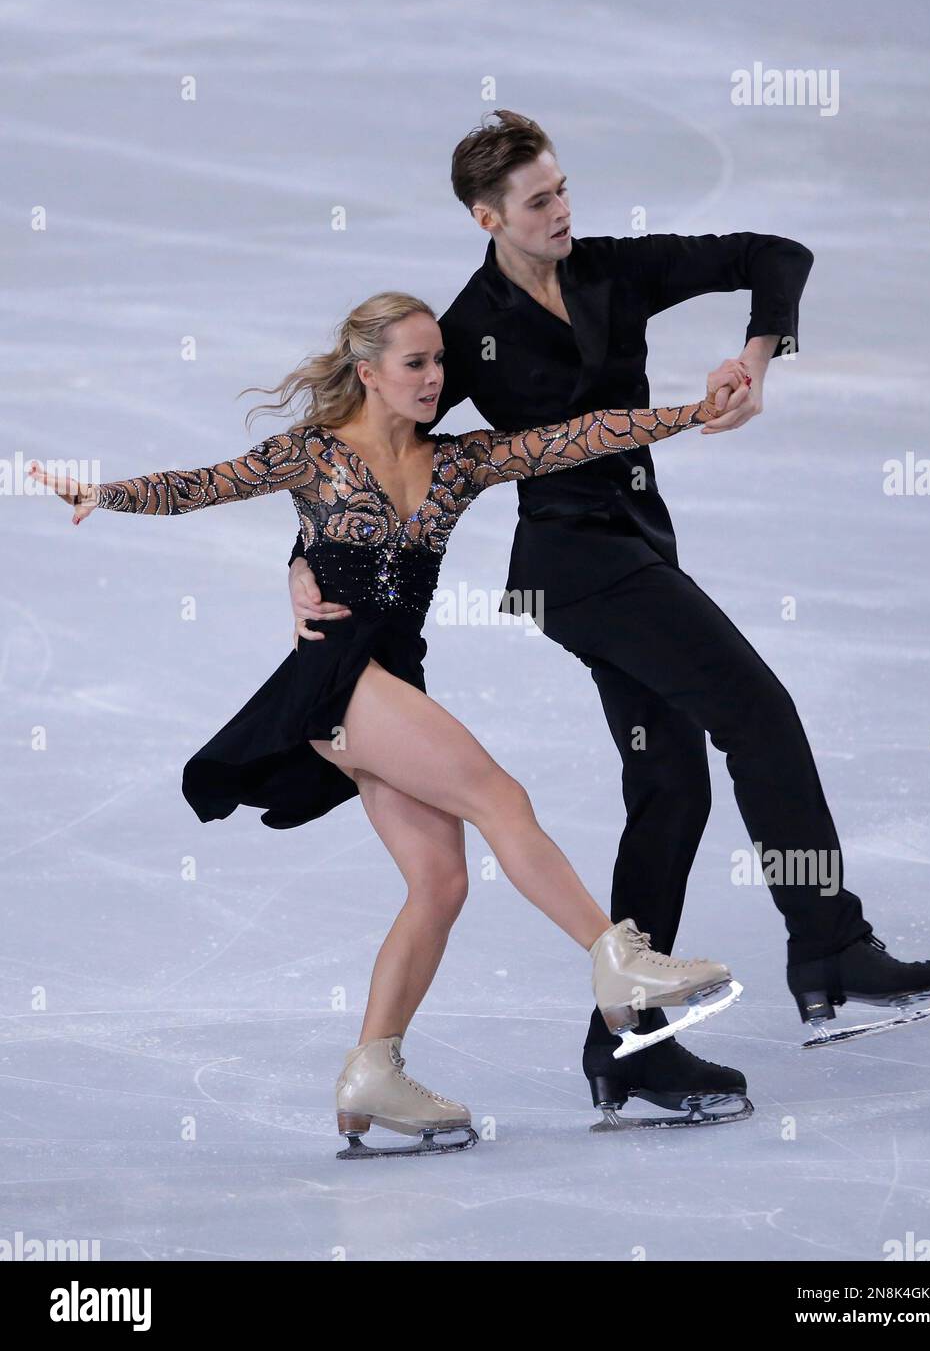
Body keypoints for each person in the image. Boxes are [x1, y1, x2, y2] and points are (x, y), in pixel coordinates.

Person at [285, 112, 930, 1128]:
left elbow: (774, 254)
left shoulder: (611, 270)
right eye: (537, 201)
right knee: (759, 713)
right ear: (486, 215)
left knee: (670, 788)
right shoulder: (466, 328)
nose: (562, 211)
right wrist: (303, 559)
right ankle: (825, 945)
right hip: (574, 564)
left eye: (562, 189)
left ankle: (628, 1050)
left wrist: (754, 359)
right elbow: (370, 443)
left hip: (638, 548)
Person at [28, 293, 750, 1158]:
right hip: (338, 679)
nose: (434, 377)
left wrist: (688, 413)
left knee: (439, 883)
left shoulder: (456, 464)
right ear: (367, 371)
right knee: (499, 795)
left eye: (439, 363)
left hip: (388, 681)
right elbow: (204, 485)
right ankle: (614, 955)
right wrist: (105, 494)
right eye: (415, 364)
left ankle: (374, 1067)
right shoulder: (314, 456)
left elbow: (574, 437)